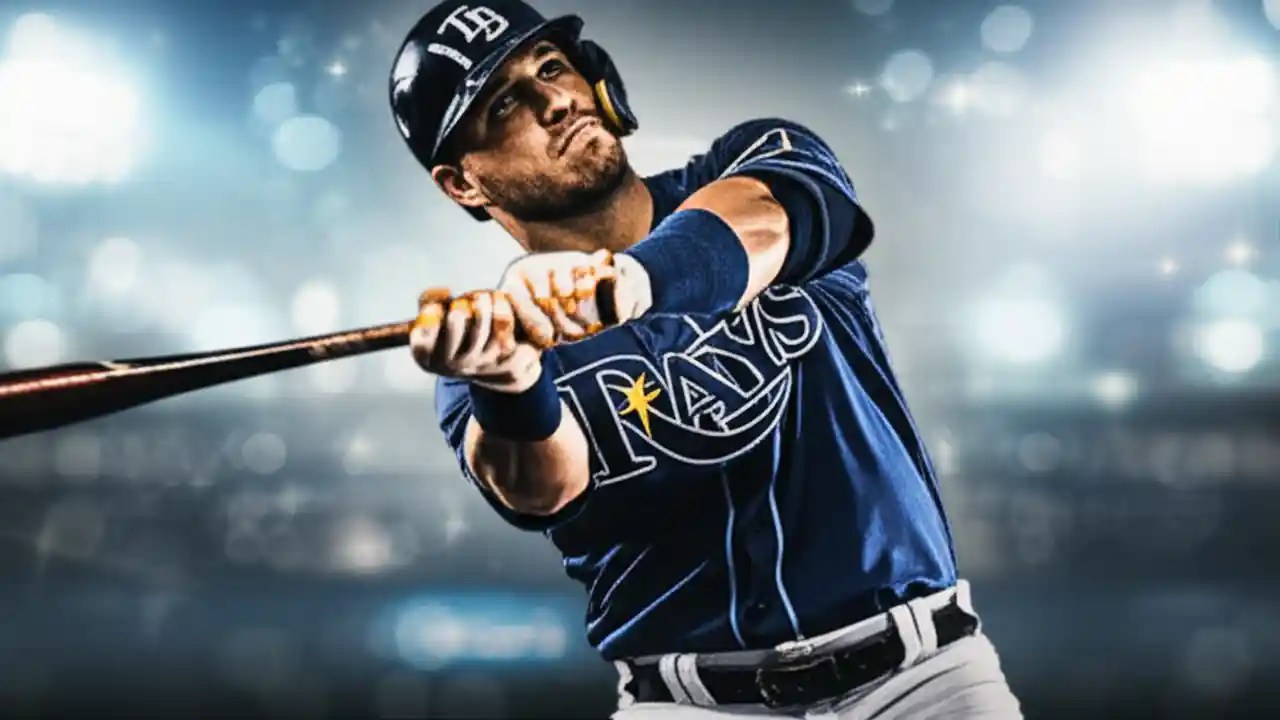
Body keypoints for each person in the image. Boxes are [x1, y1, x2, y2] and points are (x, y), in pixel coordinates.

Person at [389, 1, 1023, 717]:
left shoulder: (753, 158)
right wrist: (508, 381)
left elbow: (769, 219)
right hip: (688, 701)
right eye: (504, 103)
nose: (556, 101)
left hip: (921, 680)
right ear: (462, 183)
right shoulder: (492, 350)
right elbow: (543, 491)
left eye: (554, 67)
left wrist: (628, 281)